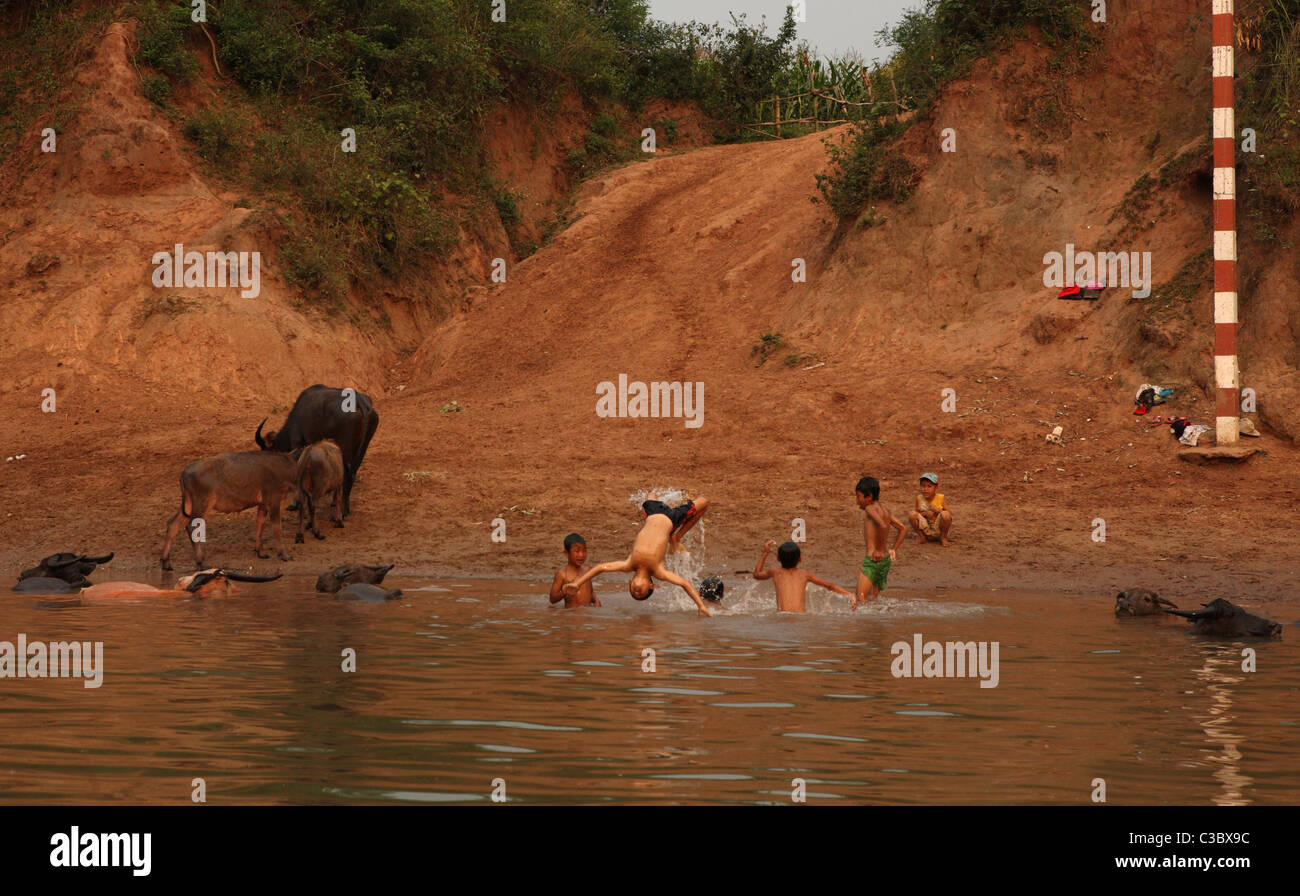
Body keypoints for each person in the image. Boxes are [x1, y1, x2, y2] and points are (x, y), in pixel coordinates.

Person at [563, 493, 713, 616]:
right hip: (671, 519)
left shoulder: (629, 564)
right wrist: (700, 606)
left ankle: (671, 532)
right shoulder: (658, 571)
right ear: (651, 585)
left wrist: (577, 583)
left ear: (630, 582)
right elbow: (684, 583)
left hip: (652, 514)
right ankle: (677, 537)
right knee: (704, 501)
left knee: (650, 495)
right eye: (641, 594)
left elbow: (600, 568)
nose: (636, 592)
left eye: (633, 592)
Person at [753, 540, 851, 612]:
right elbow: (830, 586)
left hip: (782, 617)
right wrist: (849, 594)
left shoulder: (775, 572)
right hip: (800, 618)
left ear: (778, 558)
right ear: (800, 559)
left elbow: (756, 575)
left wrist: (765, 553)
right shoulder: (804, 574)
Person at [853, 476, 906, 609]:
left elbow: (882, 526)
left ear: (869, 497)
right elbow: (903, 529)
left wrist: (878, 549)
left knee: (860, 599)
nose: (857, 500)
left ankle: (865, 627)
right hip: (884, 561)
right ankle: (874, 628)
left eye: (858, 496)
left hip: (873, 560)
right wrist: (893, 549)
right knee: (872, 600)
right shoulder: (885, 511)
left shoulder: (869, 509)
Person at [548, 533, 600, 608]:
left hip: (587, 615)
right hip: (571, 616)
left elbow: (590, 592)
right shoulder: (562, 574)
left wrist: (596, 601)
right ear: (566, 553)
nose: (581, 555)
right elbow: (552, 599)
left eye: (584, 551)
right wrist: (564, 593)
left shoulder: (587, 570)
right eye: (577, 551)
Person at [908, 473, 953, 546]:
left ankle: (943, 538)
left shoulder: (940, 498)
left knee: (945, 514)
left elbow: (949, 514)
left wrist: (938, 511)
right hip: (926, 528)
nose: (925, 489)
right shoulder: (919, 498)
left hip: (938, 528)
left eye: (929, 486)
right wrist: (925, 514)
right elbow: (916, 514)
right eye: (923, 486)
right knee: (912, 514)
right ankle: (922, 537)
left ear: (936, 487)